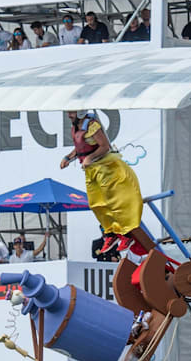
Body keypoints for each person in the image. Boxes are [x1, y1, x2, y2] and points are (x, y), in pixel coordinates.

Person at [60, 110, 150, 256]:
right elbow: (81, 148)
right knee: (96, 203)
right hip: (91, 170)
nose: (69, 115)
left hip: (106, 168)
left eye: (72, 112)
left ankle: (127, 234)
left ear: (81, 112)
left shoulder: (92, 125)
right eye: (68, 112)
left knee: (114, 201)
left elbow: (104, 146)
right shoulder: (75, 128)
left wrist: (90, 158)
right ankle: (110, 233)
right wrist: (68, 158)